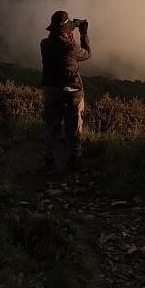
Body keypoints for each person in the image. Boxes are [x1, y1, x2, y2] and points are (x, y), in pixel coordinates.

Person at [40, 9, 91, 173]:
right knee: (74, 126)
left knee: (51, 126)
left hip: (51, 89)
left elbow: (55, 40)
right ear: (66, 31)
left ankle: (49, 160)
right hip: (72, 91)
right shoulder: (70, 47)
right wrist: (83, 34)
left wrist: (68, 29)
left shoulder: (45, 44)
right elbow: (87, 54)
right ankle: (75, 159)